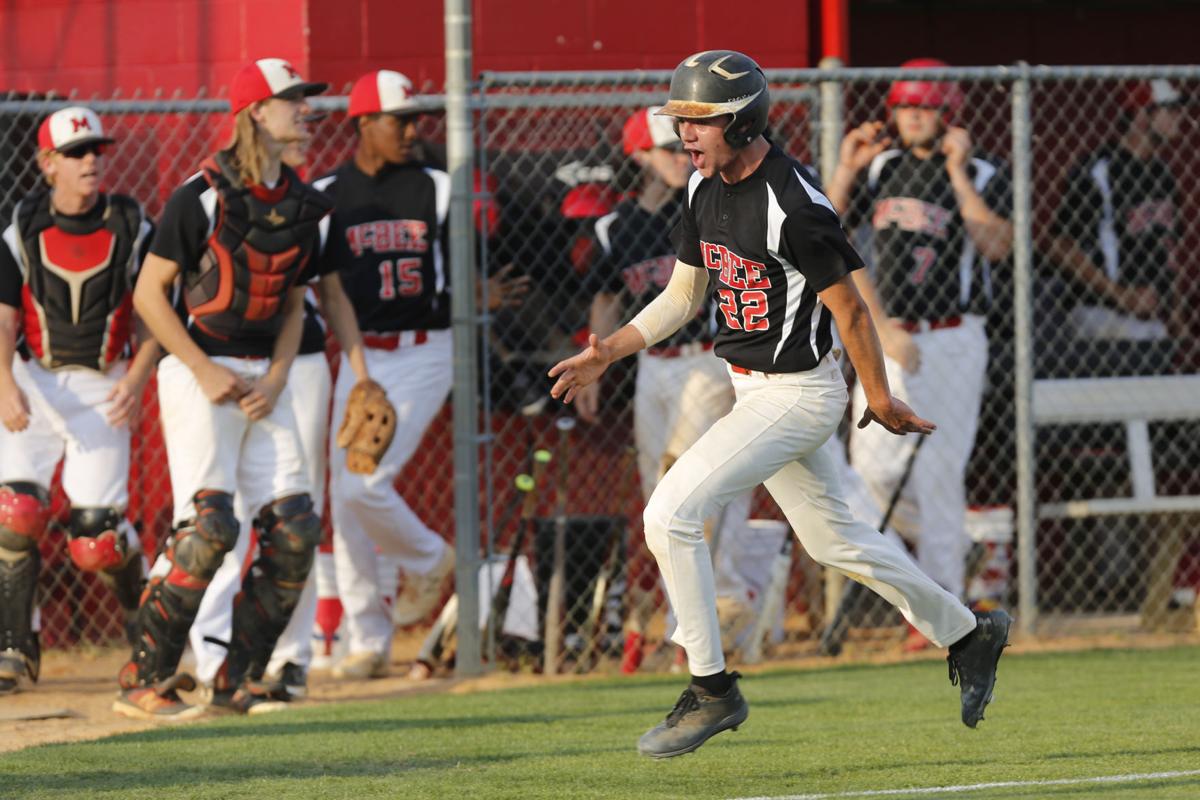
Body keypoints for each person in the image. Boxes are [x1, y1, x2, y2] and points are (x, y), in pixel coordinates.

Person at [549, 49, 1010, 759]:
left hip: (797, 394)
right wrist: (608, 350)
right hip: (751, 386)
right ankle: (967, 633)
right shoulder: (706, 191)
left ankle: (712, 690)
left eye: (699, 121)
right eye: (682, 122)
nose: (685, 135)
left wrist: (879, 395)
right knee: (835, 541)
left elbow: (851, 311)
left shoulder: (793, 202)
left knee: (669, 515)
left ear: (742, 120)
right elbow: (683, 296)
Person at [114, 58, 333, 720]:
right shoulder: (200, 196)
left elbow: (295, 304)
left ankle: (234, 682)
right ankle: (143, 676)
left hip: (269, 377)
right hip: (199, 370)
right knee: (209, 527)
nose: (304, 111)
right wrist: (204, 368)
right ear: (256, 113)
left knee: (294, 530)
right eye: (291, 100)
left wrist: (274, 377)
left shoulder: (306, 203)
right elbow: (150, 295)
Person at [824, 58, 1013, 649]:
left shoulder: (982, 172)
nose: (913, 117)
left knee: (939, 474)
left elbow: (997, 245)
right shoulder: (882, 167)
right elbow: (820, 229)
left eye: (925, 107)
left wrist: (957, 173)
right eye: (905, 107)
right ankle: (950, 548)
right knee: (869, 468)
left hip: (955, 336)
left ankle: (945, 614)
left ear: (948, 114)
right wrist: (847, 168)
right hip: (889, 331)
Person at [186, 132, 372, 703]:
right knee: (222, 509)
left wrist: (361, 372)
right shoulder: (212, 197)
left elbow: (332, 295)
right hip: (224, 359)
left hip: (301, 363)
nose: (295, 144)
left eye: (297, 139)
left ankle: (290, 658)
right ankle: (215, 656)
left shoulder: (314, 206)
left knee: (296, 511)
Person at [576, 107, 753, 671]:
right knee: (659, 488)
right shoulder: (616, 227)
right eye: (665, 151)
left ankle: (719, 601)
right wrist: (595, 355)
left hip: (708, 358)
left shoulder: (709, 202)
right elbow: (606, 297)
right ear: (640, 160)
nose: (680, 158)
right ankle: (694, 616)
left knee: (689, 474)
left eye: (682, 149)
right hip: (655, 365)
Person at [0, 107, 157, 694]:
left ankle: (147, 622)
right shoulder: (21, 226)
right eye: (75, 153)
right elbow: (6, 315)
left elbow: (153, 314)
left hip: (103, 385)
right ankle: (15, 646)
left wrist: (138, 379)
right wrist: (4, 383)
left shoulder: (132, 224)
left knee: (94, 542)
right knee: (14, 514)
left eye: (95, 150)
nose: (90, 161)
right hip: (31, 381)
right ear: (47, 165)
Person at [1047, 79, 1185, 377]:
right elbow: (1060, 244)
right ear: (1140, 116)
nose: (1179, 117)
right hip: (1102, 311)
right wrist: (1120, 295)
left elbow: (1166, 245)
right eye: (1169, 109)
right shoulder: (1100, 169)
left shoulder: (1162, 172)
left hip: (1151, 316)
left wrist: (1174, 310)